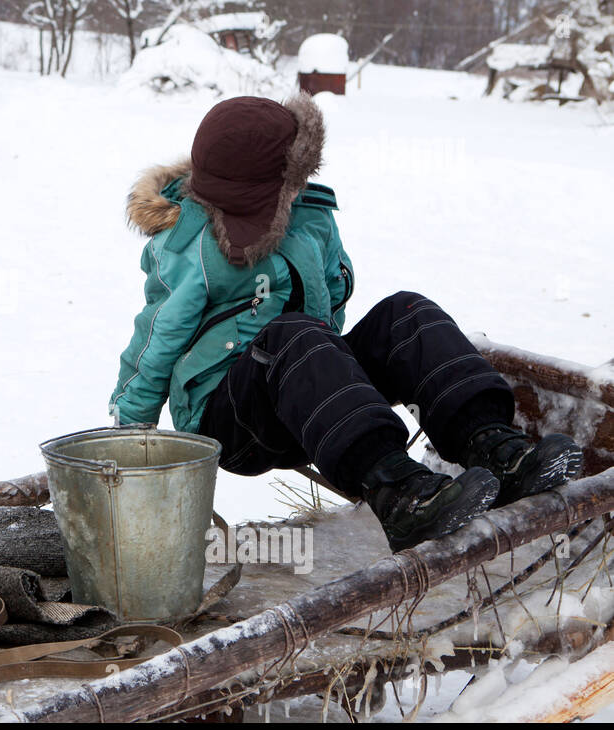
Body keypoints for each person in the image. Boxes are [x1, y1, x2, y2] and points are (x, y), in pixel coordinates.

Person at [109, 93, 584, 551]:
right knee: (294, 336)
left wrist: (338, 368)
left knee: (405, 313)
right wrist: (132, 436)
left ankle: (493, 446)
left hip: (317, 393)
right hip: (229, 416)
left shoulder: (310, 214)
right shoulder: (190, 246)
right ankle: (397, 490)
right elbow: (157, 338)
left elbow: (335, 289)